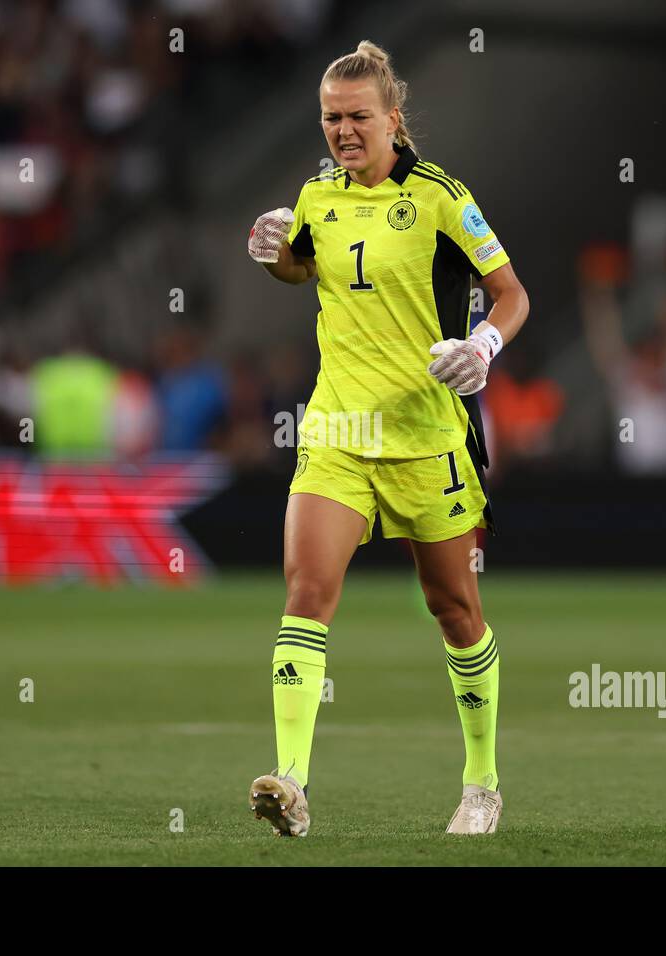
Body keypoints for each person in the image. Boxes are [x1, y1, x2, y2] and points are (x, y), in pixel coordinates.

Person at [244, 40, 529, 836]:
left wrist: (481, 349)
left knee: (454, 608)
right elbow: (306, 269)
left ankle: (482, 784)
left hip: (425, 434)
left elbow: (510, 294)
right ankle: (291, 783)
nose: (342, 131)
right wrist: (276, 255)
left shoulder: (440, 197)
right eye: (331, 118)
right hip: (337, 427)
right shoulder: (317, 193)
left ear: (394, 119)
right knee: (306, 593)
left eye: (357, 117)